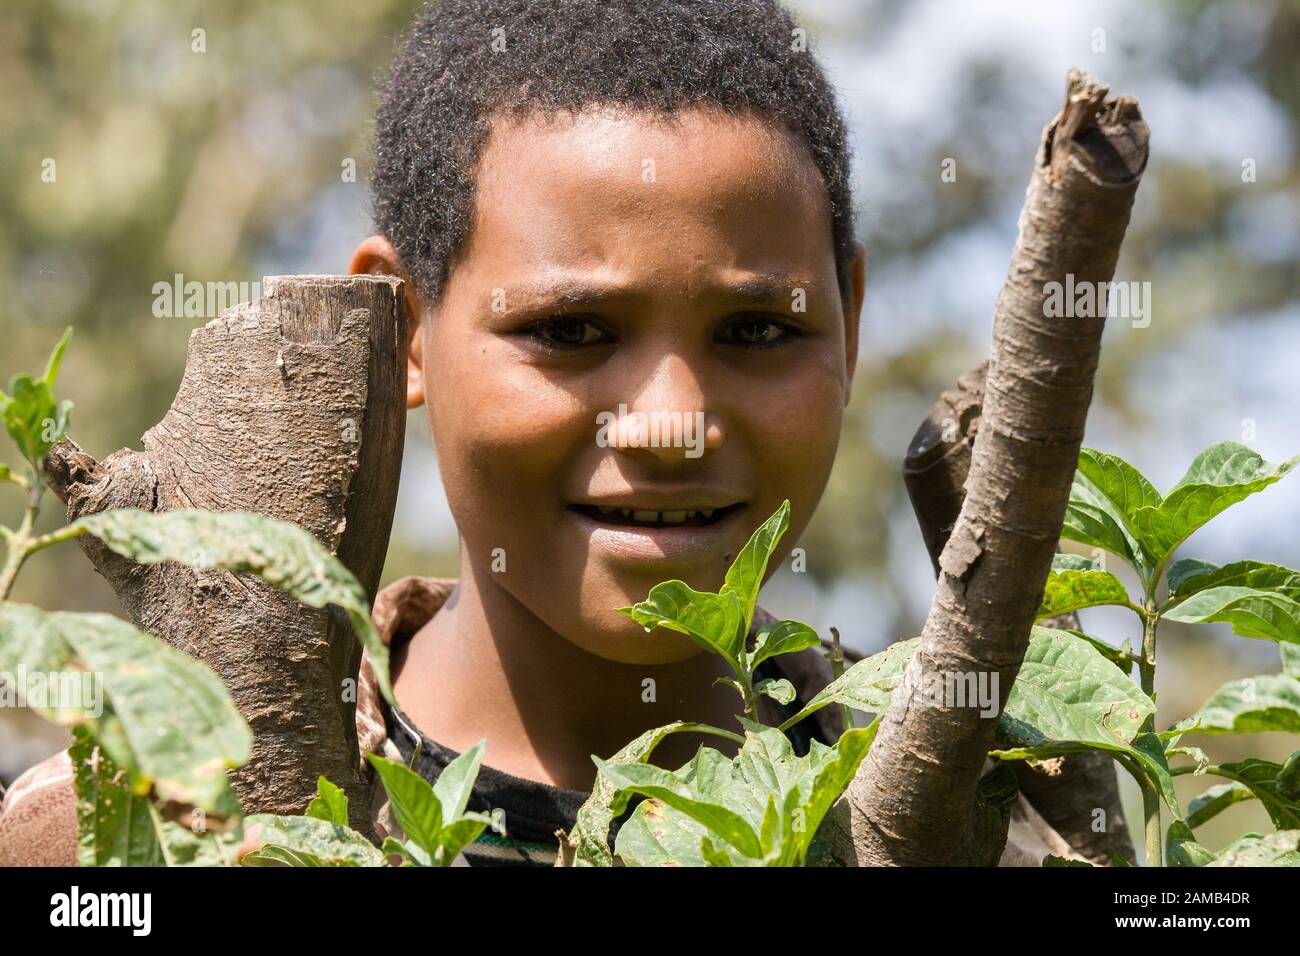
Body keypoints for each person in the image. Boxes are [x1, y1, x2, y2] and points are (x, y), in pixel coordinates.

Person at [0, 0, 1090, 867]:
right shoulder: (128, 836)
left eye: (757, 328)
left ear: (848, 320)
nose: (670, 421)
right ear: (406, 333)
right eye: (570, 329)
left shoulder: (991, 818)